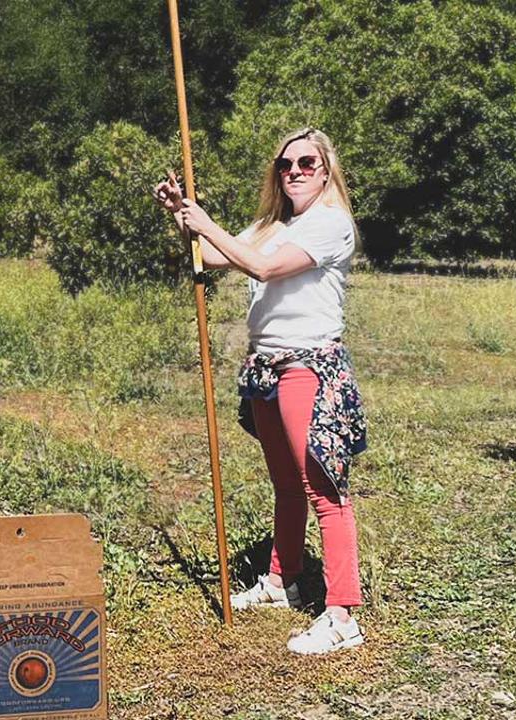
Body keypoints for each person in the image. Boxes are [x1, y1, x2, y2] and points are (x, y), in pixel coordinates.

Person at [154, 127, 368, 654]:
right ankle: (283, 580)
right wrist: (183, 214)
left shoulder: (331, 224)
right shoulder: (271, 225)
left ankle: (342, 614)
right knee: (286, 483)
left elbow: (266, 267)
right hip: (265, 368)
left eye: (306, 164)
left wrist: (205, 220)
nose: (294, 171)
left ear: (326, 171)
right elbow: (214, 255)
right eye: (285, 165)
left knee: (324, 488)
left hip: (307, 364)